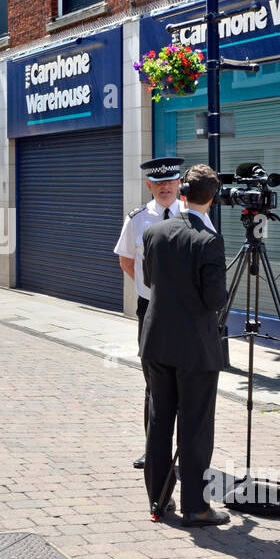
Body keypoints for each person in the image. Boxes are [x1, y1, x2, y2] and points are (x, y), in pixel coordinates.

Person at [140, 164, 229, 526]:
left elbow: (149, 280)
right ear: (213, 198)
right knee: (194, 427)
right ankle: (196, 505)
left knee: (159, 423)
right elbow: (215, 300)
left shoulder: (155, 232)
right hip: (195, 349)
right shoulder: (209, 240)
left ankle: (158, 501)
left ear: (183, 193)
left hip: (157, 342)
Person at [114, 156, 184, 470]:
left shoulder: (194, 216)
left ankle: (187, 450)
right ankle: (154, 450)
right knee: (153, 382)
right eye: (159, 183)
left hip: (186, 313)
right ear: (149, 185)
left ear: (179, 183)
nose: (165, 187)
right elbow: (127, 261)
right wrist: (150, 292)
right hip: (152, 310)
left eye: (170, 181)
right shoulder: (138, 219)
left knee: (186, 381)